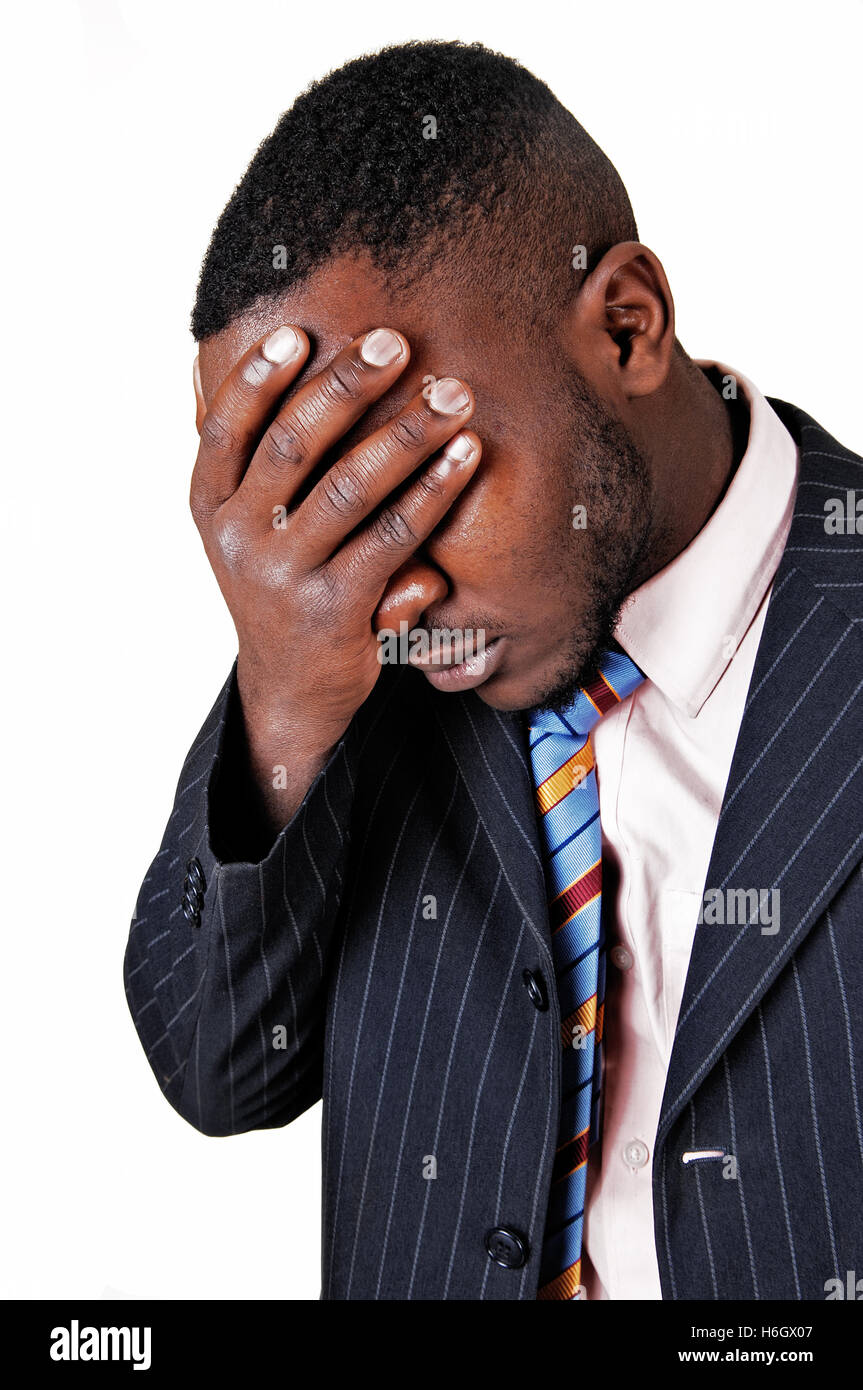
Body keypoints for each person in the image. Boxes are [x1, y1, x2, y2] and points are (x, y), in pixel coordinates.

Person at [124, 39, 863, 1301]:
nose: (383, 584)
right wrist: (284, 696)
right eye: (327, 511)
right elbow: (222, 1069)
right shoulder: (351, 658)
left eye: (412, 482)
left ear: (626, 326)